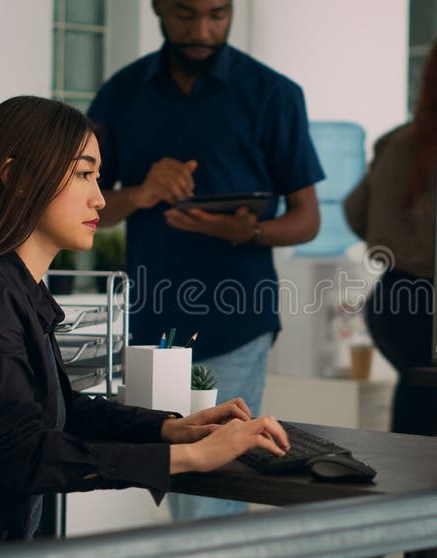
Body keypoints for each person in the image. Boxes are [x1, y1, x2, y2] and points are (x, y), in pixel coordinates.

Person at [0, 96, 290, 554]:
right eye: (83, 173)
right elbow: (24, 455)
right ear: (19, 179)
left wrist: (171, 429)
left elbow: (65, 410)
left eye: (97, 176)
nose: (100, 198)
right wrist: (190, 457)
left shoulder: (13, 289)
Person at [86, 0, 323, 521]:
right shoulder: (121, 94)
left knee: (214, 486)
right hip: (151, 323)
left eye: (217, 14)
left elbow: (307, 219)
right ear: (156, 7)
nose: (201, 30)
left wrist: (250, 230)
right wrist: (142, 192)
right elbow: (86, 207)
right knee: (179, 481)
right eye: (185, 14)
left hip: (236, 321)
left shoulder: (274, 94)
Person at [344, 28, 437, 437]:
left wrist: (393, 244)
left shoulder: (395, 140)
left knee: (422, 409)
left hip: (391, 299)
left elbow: (354, 209)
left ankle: (407, 496)